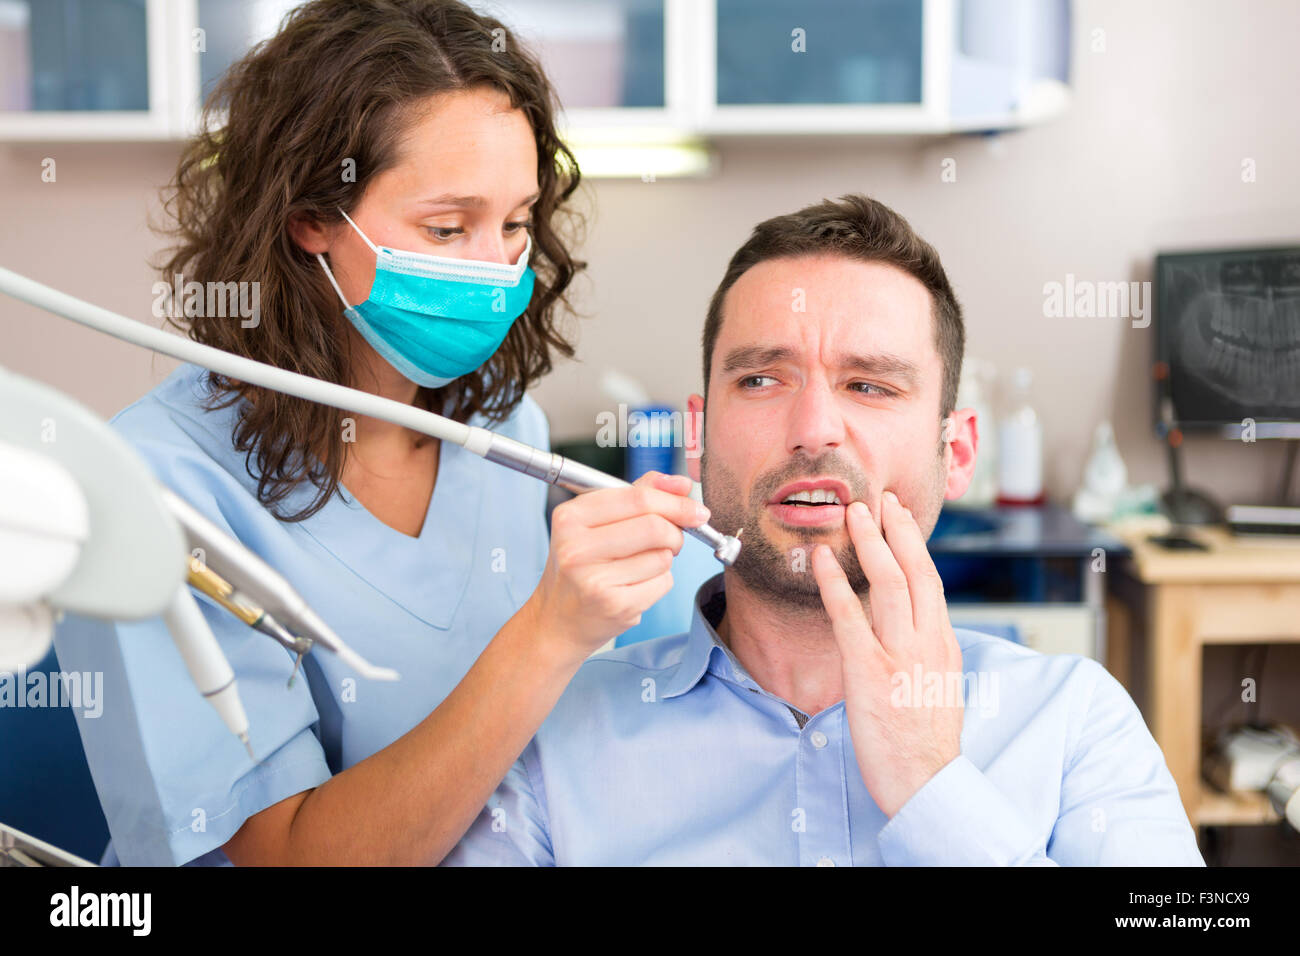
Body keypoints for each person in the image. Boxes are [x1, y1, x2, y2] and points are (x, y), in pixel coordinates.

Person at [52, 0, 705, 866]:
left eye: (514, 224)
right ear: (310, 217)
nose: (495, 271)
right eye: (446, 227)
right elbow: (283, 857)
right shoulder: (154, 488)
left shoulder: (503, 426)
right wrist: (548, 635)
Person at [443, 194, 1206, 866]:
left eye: (870, 384)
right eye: (762, 379)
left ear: (958, 452)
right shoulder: (553, 737)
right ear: (699, 439)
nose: (813, 431)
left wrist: (933, 792)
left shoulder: (1076, 721)